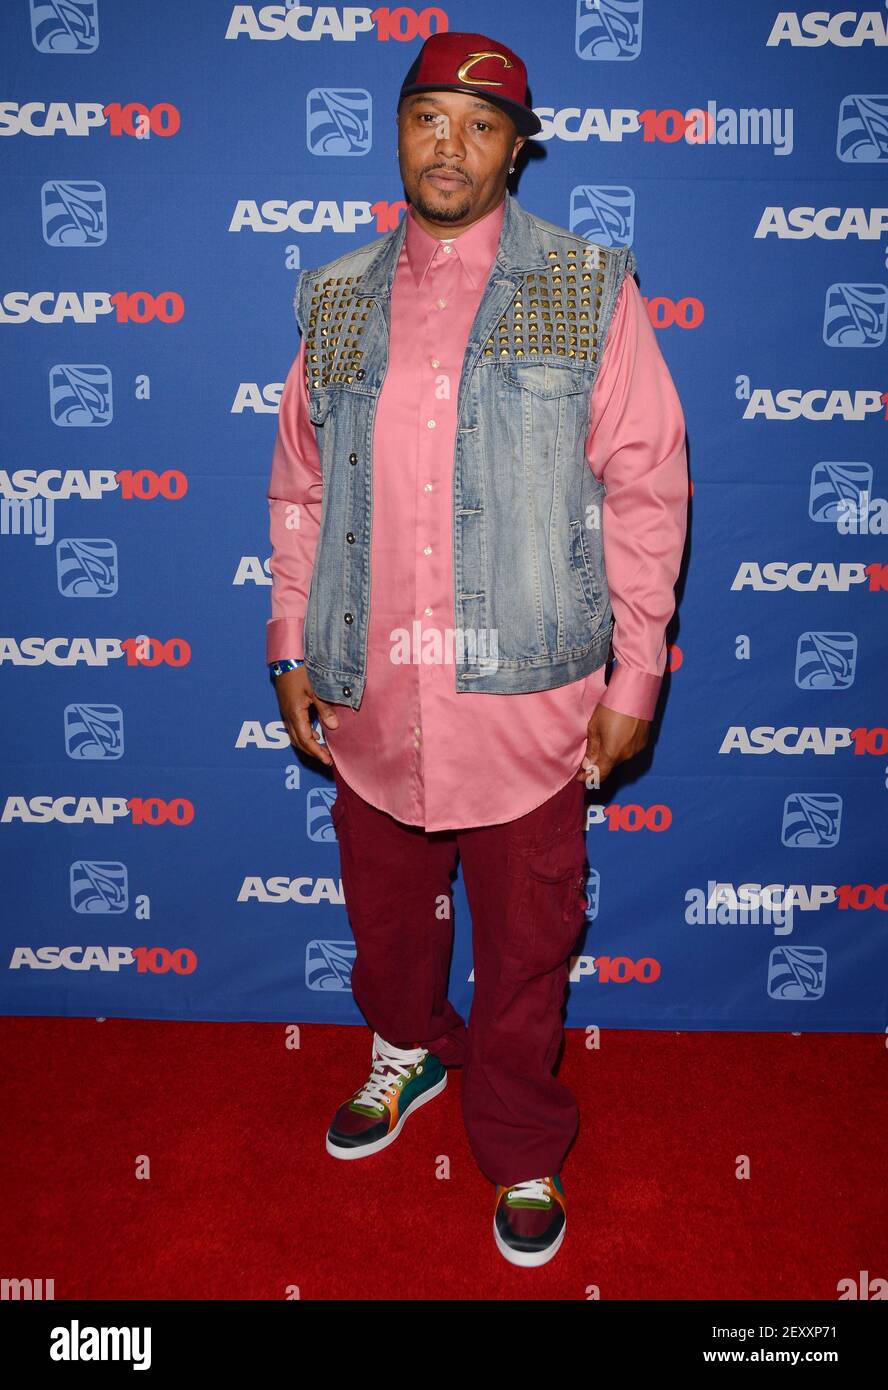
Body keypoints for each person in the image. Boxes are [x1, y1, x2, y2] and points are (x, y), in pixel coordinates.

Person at [265, 30, 688, 1268]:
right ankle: (406, 1054)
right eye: (428, 118)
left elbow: (648, 487)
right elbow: (299, 489)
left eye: (481, 123)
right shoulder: (336, 292)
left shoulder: (587, 285)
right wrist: (289, 641)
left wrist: (639, 671)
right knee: (390, 927)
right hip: (367, 685)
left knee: (525, 943)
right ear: (397, 132)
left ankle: (521, 1141)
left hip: (529, 694)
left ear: (519, 148)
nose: (450, 144)